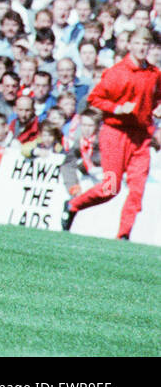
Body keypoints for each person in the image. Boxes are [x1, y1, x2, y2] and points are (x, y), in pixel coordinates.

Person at [62, 28, 161, 239]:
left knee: (137, 190)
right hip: (115, 134)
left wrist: (158, 107)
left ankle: (123, 235)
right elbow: (94, 98)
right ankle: (73, 205)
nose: (142, 48)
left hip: (141, 137)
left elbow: (157, 97)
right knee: (110, 187)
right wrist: (117, 108)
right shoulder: (117, 72)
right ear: (130, 45)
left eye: (146, 44)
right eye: (138, 43)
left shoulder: (154, 74)